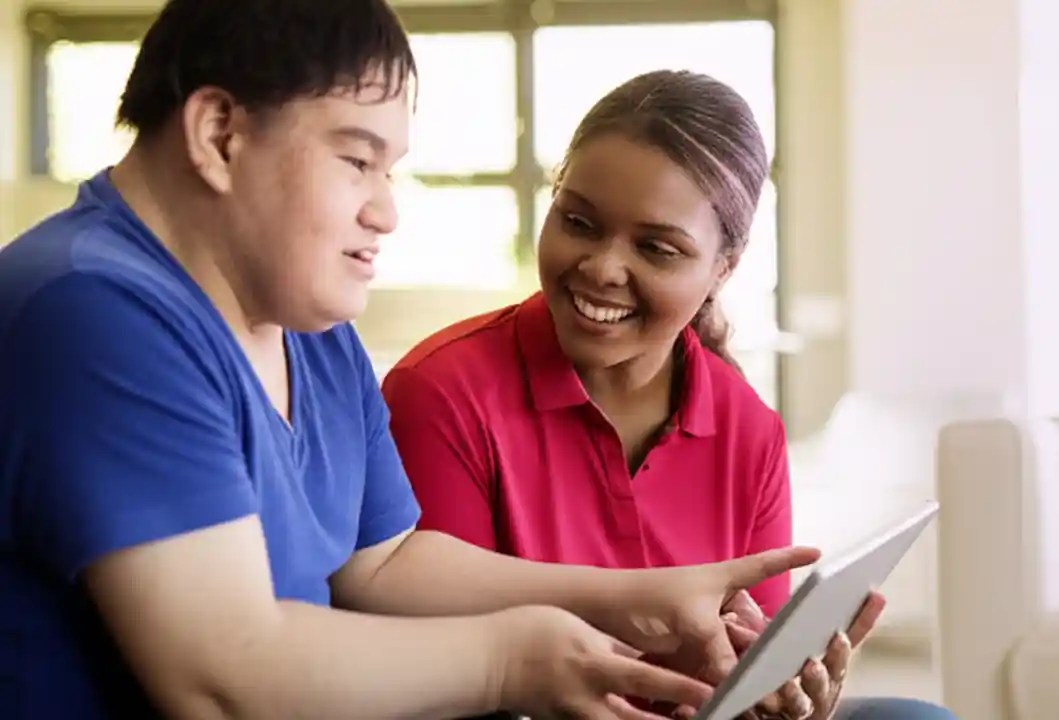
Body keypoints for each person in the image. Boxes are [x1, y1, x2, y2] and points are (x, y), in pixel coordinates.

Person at [0, 3, 818, 718]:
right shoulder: (89, 308)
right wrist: (511, 661)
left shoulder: (307, 326)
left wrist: (642, 600)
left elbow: (384, 563)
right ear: (219, 134)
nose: (386, 209)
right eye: (357, 160)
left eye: (389, 169)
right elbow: (222, 682)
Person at [382, 70, 957, 720]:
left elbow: (744, 662)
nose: (601, 267)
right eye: (578, 221)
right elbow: (429, 655)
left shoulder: (747, 428)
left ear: (724, 267)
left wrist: (780, 697)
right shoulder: (442, 391)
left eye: (657, 248)